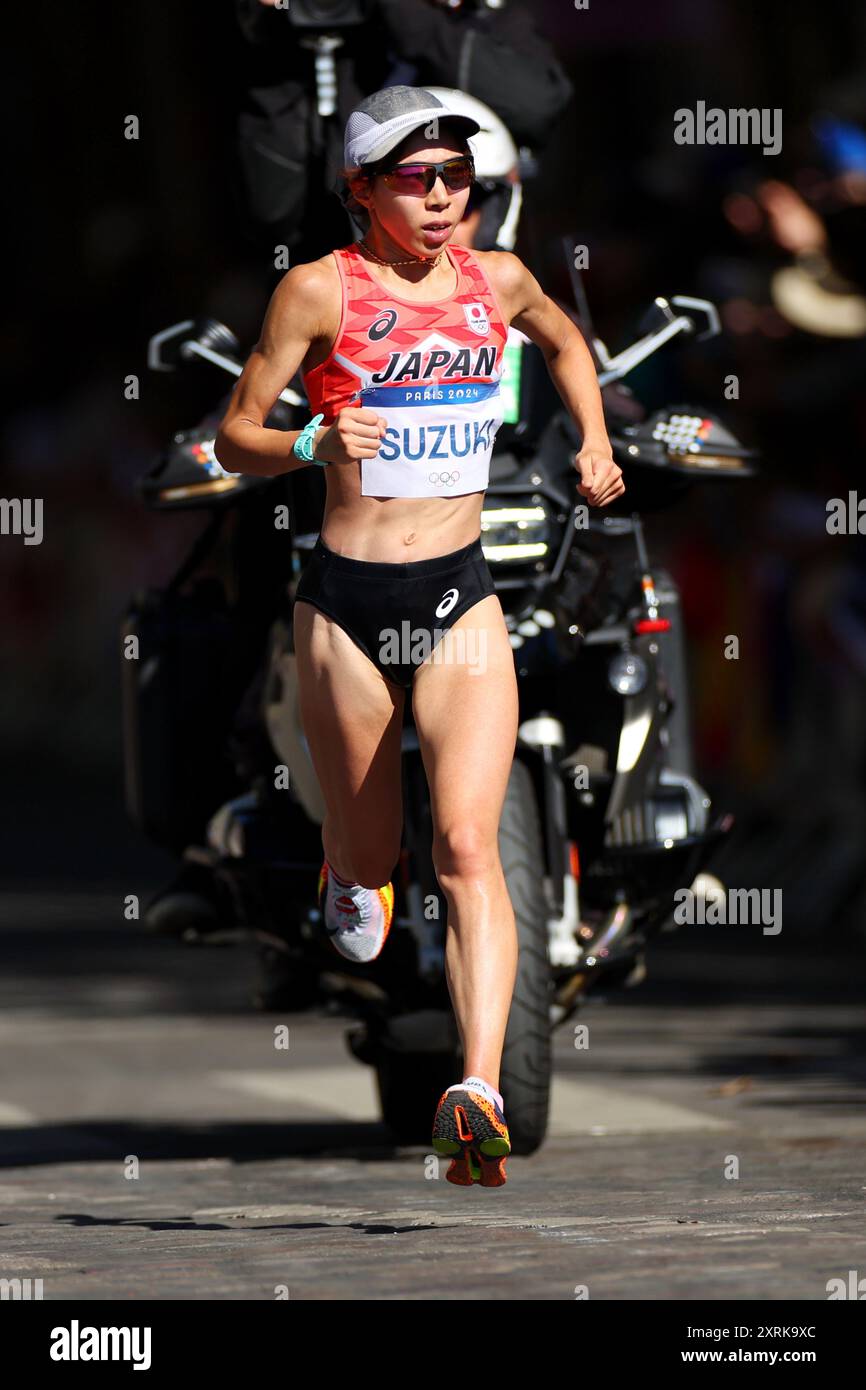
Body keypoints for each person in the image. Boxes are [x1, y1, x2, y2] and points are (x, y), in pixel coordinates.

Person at [214, 85, 624, 1187]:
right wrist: (305, 436)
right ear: (361, 190)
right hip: (344, 603)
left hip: (458, 596)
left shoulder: (496, 279)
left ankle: (475, 1087)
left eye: (457, 178)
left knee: (465, 849)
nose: (444, 198)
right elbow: (233, 436)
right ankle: (348, 880)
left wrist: (590, 439)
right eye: (417, 178)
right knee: (368, 859)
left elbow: (568, 343)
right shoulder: (314, 293)